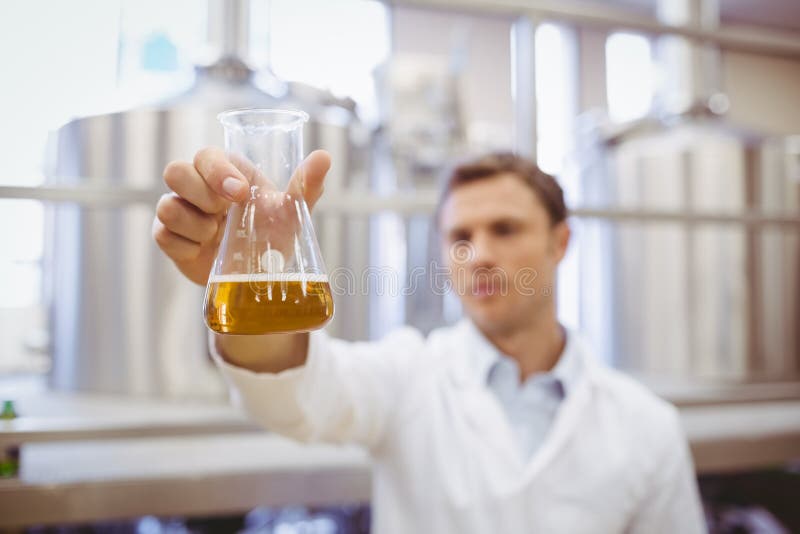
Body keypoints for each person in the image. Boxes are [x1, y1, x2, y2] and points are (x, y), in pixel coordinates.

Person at [153, 148, 706, 533]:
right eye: (460, 237)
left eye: (505, 229)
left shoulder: (646, 426)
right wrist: (248, 284)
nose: (479, 253)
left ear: (560, 242)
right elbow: (293, 394)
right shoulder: (409, 375)